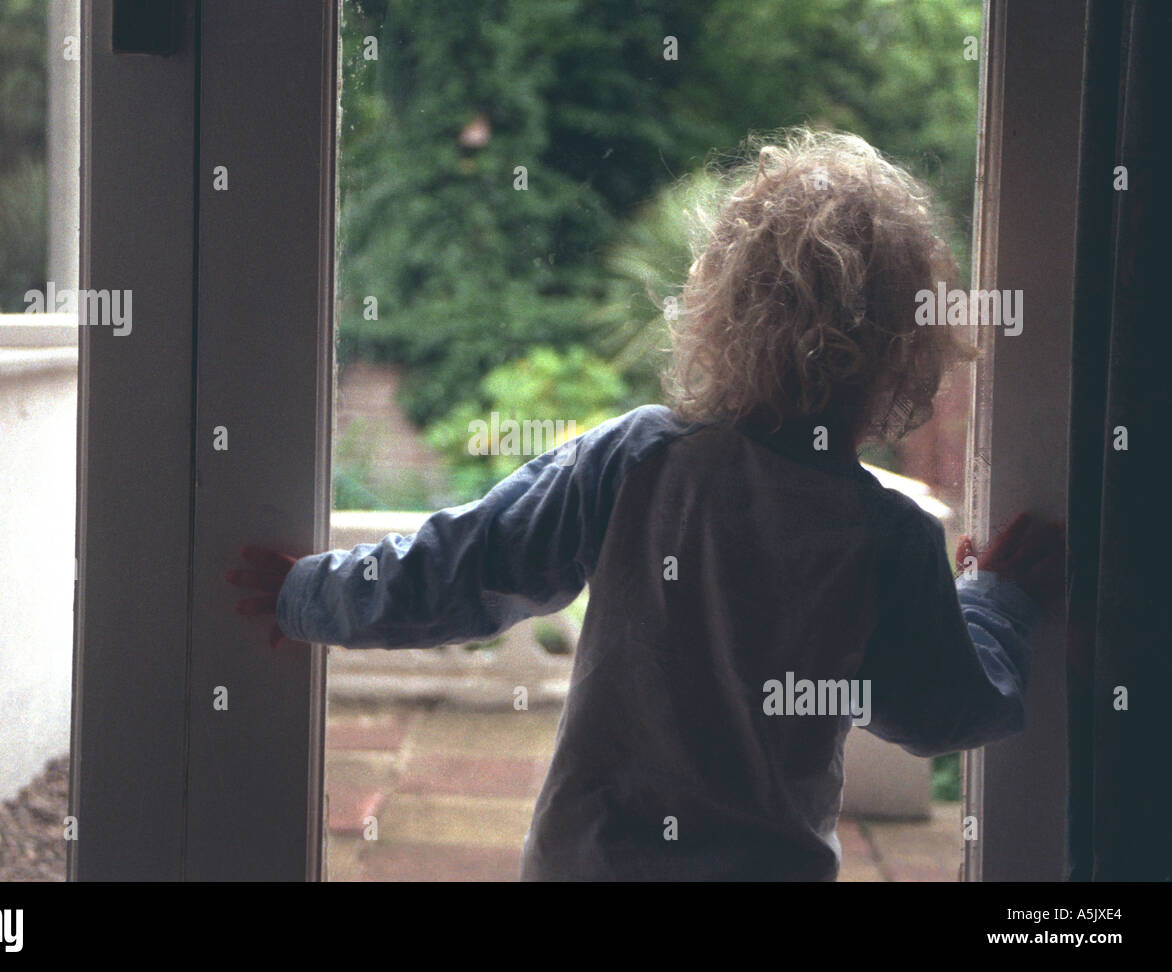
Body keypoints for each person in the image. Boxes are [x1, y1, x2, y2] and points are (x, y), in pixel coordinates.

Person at [226, 129, 1063, 881]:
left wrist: (312, 593)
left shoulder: (640, 461)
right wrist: (1000, 606)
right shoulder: (888, 538)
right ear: (903, 358)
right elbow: (945, 708)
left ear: (719, 307)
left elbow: (463, 567)